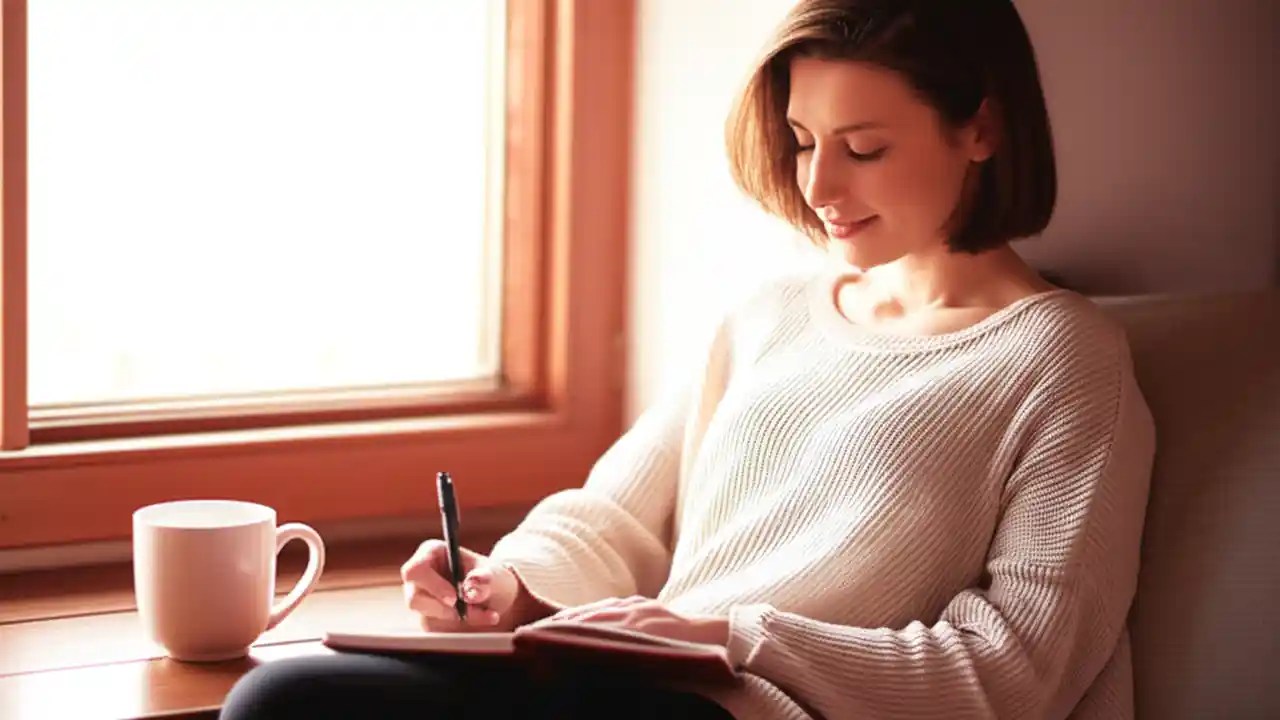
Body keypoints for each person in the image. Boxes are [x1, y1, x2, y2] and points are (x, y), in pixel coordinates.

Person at [222, 0, 1156, 717]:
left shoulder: (1064, 361)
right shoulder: (772, 312)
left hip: (756, 709)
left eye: (864, 148)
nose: (819, 187)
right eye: (802, 143)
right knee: (280, 701)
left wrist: (730, 635)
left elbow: (1017, 670)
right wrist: (507, 585)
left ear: (983, 130)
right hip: (627, 687)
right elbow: (617, 517)